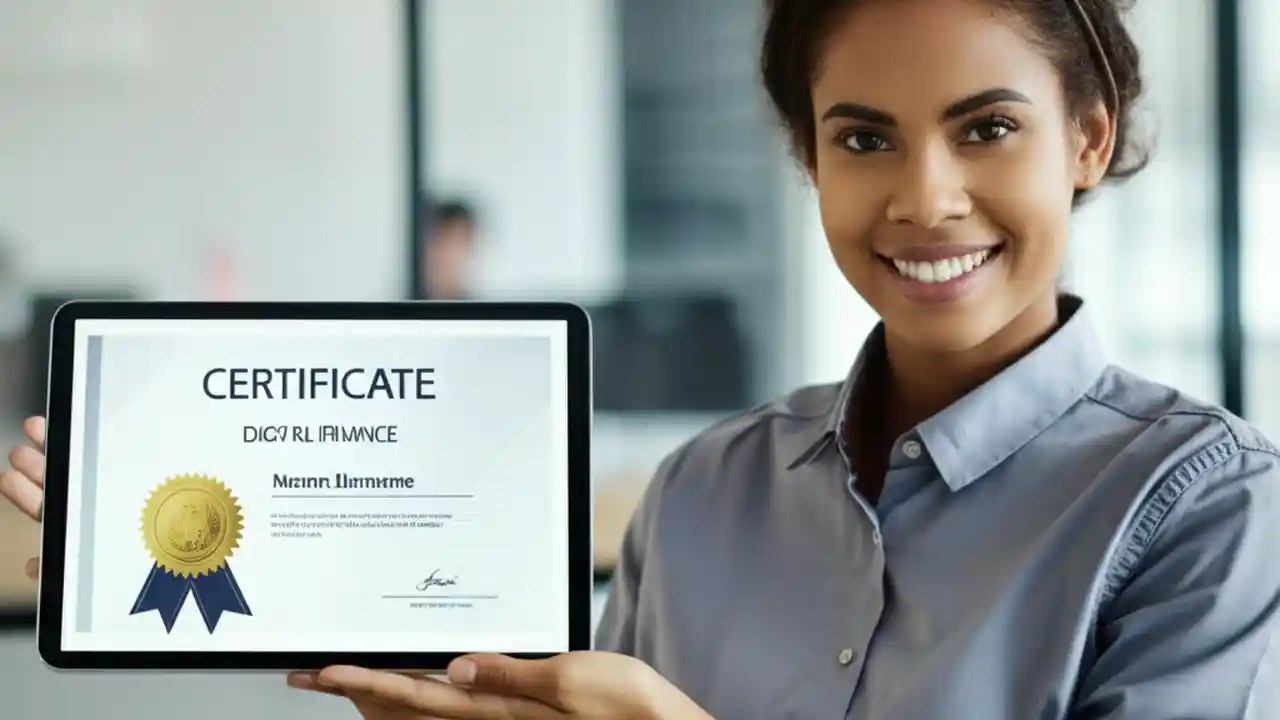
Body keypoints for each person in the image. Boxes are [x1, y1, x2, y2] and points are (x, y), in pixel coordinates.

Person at [4, 0, 1279, 717]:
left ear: (1087, 140)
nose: (924, 197)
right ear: (810, 160)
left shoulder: (1208, 511)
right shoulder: (703, 491)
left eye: (986, 128)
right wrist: (189, 537)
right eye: (864, 138)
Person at [418, 198, 479, 300]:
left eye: (459, 241)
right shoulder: (408, 306)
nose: (451, 253)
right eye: (445, 239)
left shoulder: (480, 311)